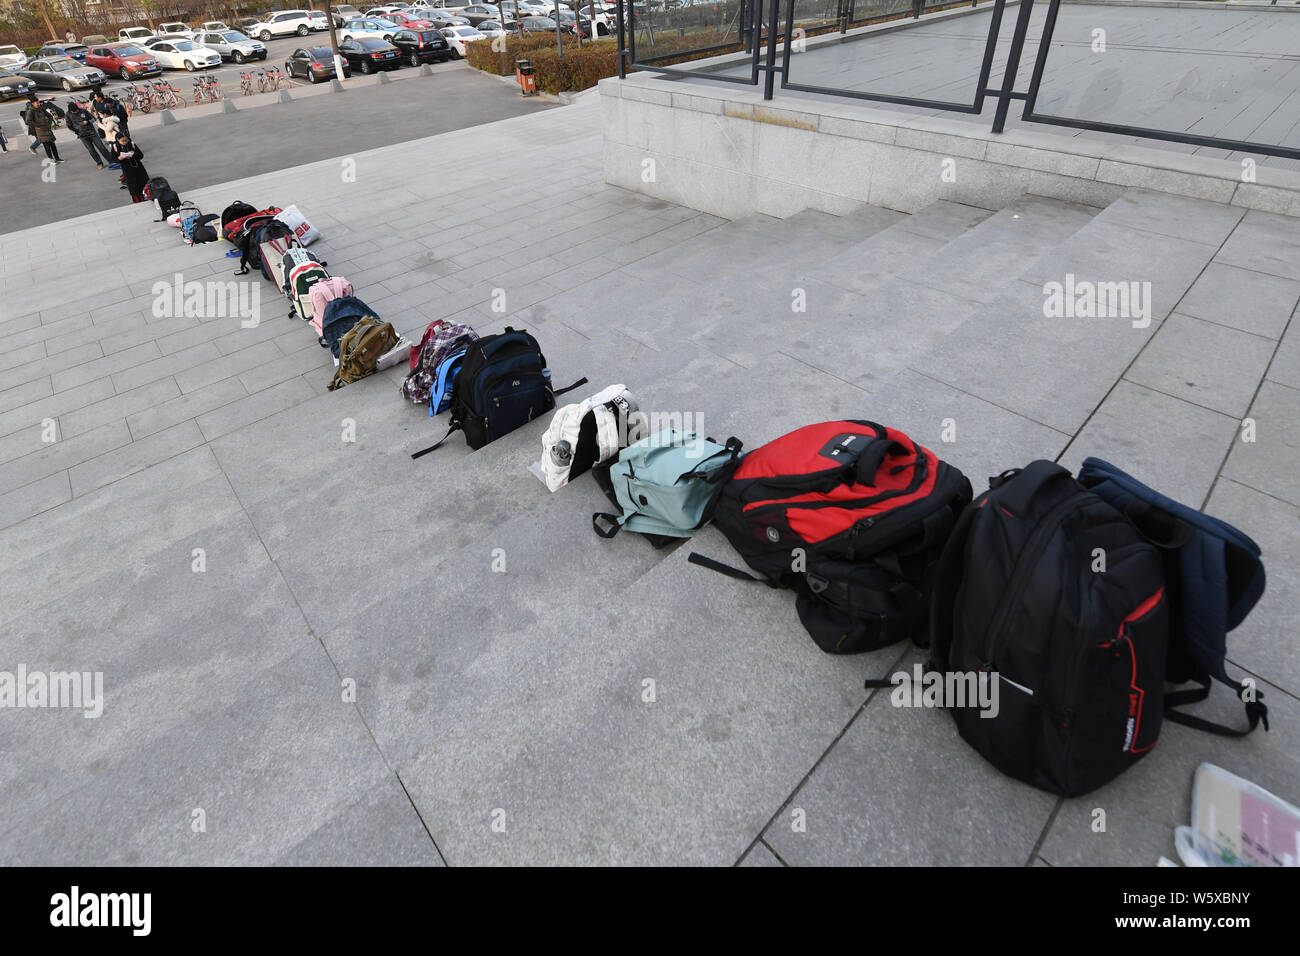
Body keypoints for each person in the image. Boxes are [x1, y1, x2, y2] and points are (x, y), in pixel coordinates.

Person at [66, 102, 114, 168]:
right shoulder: (68, 114)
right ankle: (99, 162)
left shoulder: (83, 111)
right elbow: (69, 126)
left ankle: (111, 161)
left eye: (76, 111)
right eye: (73, 112)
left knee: (101, 147)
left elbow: (93, 119)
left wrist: (87, 122)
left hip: (92, 133)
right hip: (82, 136)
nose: (75, 112)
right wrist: (76, 131)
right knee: (91, 150)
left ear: (77, 108)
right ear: (70, 111)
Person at [110, 132, 149, 203]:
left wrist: (133, 154)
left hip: (138, 167)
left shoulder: (131, 144)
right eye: (123, 141)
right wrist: (119, 158)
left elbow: (141, 155)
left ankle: (147, 197)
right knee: (133, 186)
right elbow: (113, 159)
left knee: (143, 182)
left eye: (126, 140)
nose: (125, 142)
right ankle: (138, 201)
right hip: (127, 169)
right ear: (118, 140)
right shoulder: (115, 147)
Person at [24, 95, 63, 163]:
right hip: (40, 131)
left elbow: (50, 116)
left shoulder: (41, 108)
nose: (38, 104)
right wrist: (36, 126)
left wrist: (49, 123)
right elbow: (28, 121)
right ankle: (51, 160)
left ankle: (57, 158)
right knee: (47, 146)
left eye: (38, 102)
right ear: (33, 103)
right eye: (37, 103)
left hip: (47, 129)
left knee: (53, 145)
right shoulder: (31, 111)